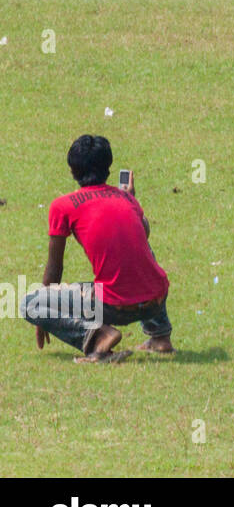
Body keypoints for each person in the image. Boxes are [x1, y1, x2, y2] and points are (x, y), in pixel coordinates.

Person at [23, 135, 174, 363]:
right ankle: (160, 336)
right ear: (108, 169)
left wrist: (43, 315)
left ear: (73, 171)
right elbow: (144, 235)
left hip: (116, 307)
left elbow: (55, 268)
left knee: (30, 303)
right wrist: (129, 198)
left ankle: (99, 336)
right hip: (157, 298)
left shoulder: (62, 206)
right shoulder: (125, 197)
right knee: (143, 253)